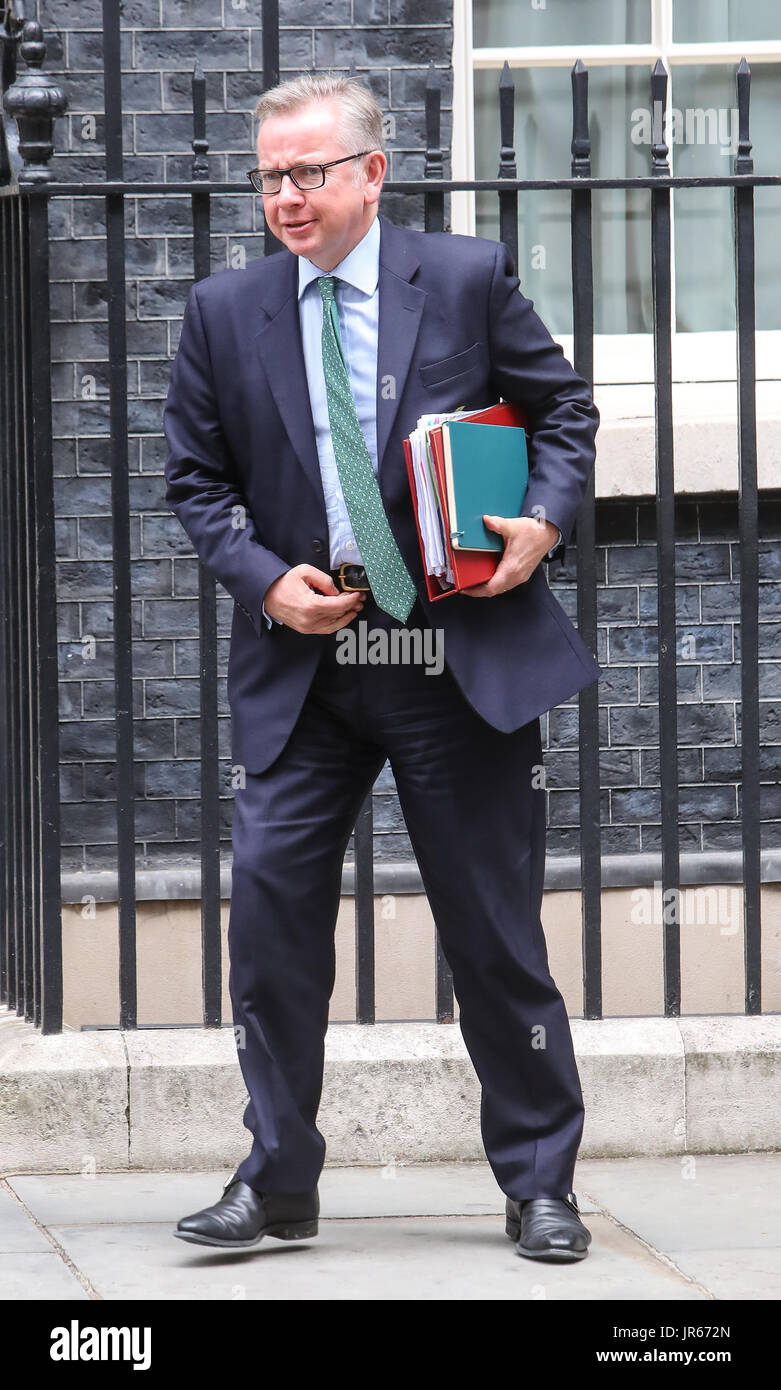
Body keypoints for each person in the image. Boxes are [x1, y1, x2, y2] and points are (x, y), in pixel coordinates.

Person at [163, 73, 601, 1264]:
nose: (286, 197)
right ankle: (279, 1182)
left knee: (493, 932)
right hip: (308, 659)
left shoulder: (462, 279)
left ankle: (538, 1182)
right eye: (269, 176)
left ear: (371, 173)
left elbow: (561, 414)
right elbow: (196, 483)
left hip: (450, 652)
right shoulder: (223, 309)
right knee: (270, 925)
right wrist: (262, 578)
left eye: (308, 172)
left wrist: (541, 523)